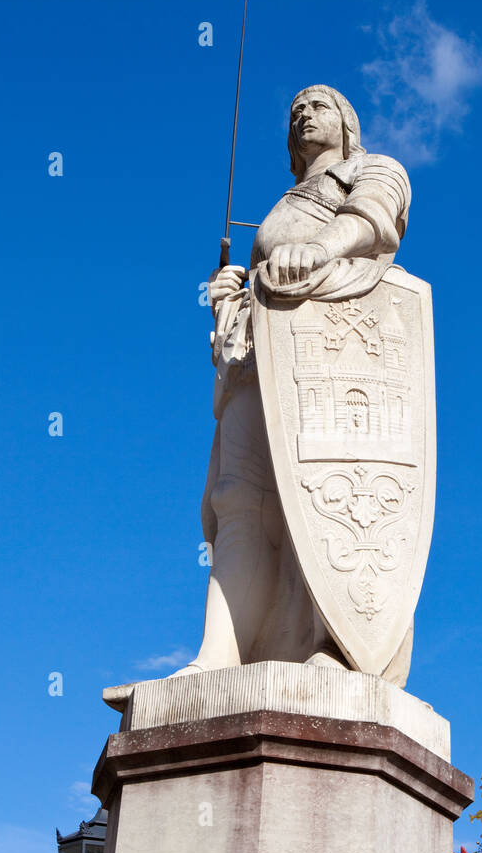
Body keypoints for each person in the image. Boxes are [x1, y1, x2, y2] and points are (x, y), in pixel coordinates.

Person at [172, 84, 413, 682]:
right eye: (295, 110)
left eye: (319, 105)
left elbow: (377, 219)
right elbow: (267, 276)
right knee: (238, 501)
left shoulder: (372, 168)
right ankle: (219, 656)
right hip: (262, 350)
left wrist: (317, 250)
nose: (305, 114)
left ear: (348, 124)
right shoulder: (285, 200)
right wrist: (233, 296)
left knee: (332, 495)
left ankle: (338, 647)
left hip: (329, 350)